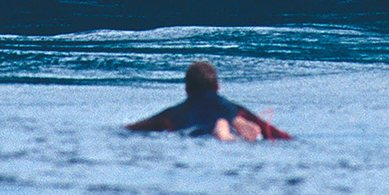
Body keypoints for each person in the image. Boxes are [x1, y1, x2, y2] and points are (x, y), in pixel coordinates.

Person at [125, 60, 292, 140]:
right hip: (228, 119)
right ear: (218, 87)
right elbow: (277, 135)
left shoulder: (171, 115)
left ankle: (223, 131)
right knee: (239, 128)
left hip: (192, 131)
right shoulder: (233, 108)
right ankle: (226, 130)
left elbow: (133, 128)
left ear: (187, 90)